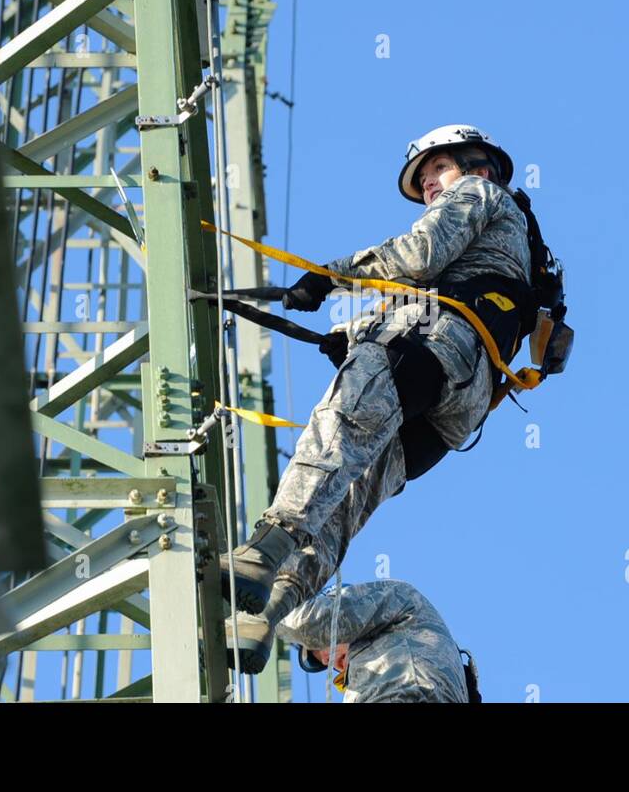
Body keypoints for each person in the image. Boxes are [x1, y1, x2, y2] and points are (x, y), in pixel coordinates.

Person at [222, 125, 533, 672]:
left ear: (479, 167)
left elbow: (418, 255)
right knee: (346, 500)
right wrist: (353, 333)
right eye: (423, 178)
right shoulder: (512, 244)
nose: (430, 184)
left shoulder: (478, 193)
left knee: (336, 432)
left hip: (436, 342)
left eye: (439, 168)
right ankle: (267, 614)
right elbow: (445, 285)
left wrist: (328, 277)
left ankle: (263, 550)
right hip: (458, 404)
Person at [230, 579, 475, 703]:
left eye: (320, 647)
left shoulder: (399, 598)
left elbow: (314, 622)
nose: (329, 661)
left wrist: (243, 616)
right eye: (324, 663)